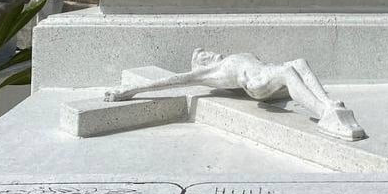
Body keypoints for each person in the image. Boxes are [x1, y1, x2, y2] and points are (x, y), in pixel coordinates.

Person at [103, 48, 366, 140]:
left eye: (208, 52)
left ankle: (327, 103)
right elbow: (172, 81)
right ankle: (324, 114)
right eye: (203, 56)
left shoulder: (232, 57)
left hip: (268, 75)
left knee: (298, 62)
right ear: (202, 65)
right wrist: (129, 91)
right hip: (256, 84)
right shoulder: (210, 72)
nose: (211, 54)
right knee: (288, 72)